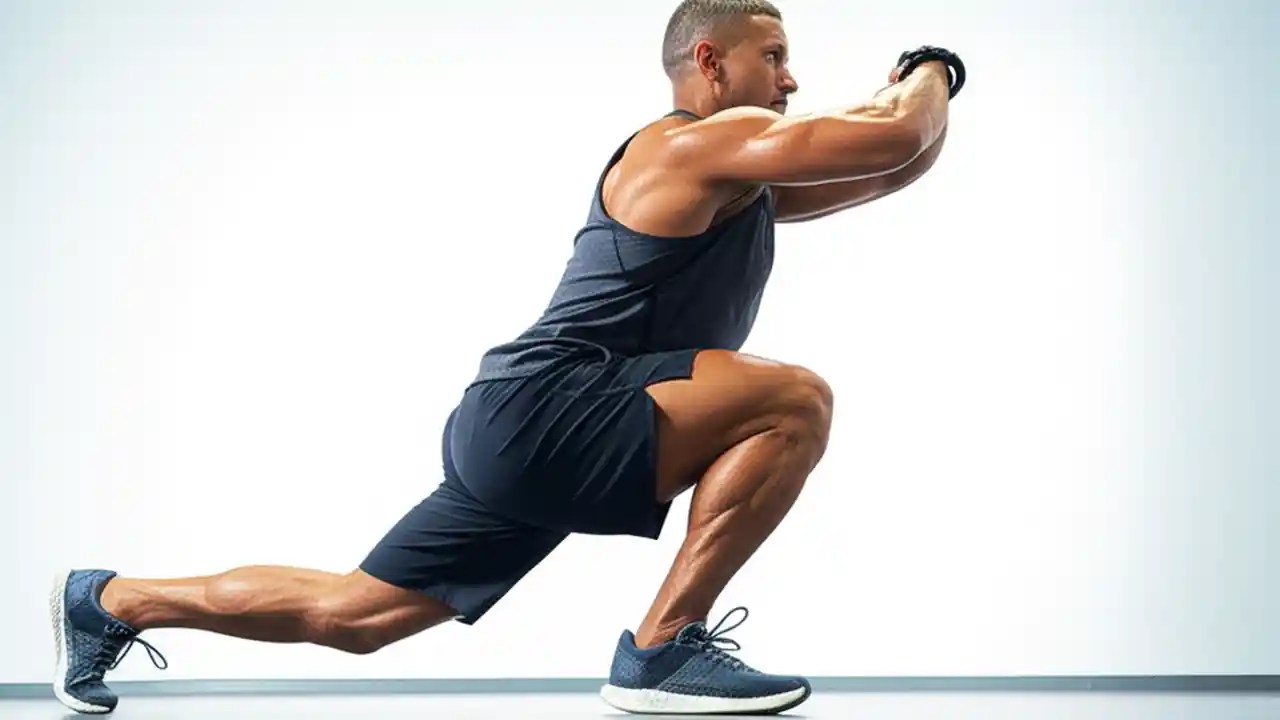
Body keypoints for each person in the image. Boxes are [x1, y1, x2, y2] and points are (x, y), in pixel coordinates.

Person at [49, 0, 962, 715]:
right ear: (709, 62)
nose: (793, 77)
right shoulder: (693, 144)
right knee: (793, 400)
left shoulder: (741, 176)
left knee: (357, 618)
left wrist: (920, 101)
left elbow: (892, 165)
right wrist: (933, 67)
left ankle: (111, 599)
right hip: (556, 403)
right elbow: (893, 134)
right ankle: (662, 648)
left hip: (533, 421)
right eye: (774, 55)